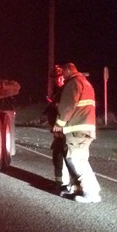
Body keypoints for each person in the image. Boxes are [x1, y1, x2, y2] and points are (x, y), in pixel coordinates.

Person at [52, 62, 102, 203]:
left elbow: (67, 105)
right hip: (85, 128)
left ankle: (91, 192)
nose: (62, 75)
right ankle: (79, 189)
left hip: (77, 129)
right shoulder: (85, 83)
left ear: (68, 70)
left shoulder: (73, 83)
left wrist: (59, 124)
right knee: (79, 159)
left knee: (75, 160)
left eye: (63, 72)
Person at [42, 65, 73, 194]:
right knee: (57, 156)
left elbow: (66, 109)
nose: (57, 80)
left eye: (59, 78)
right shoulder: (57, 92)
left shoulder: (67, 90)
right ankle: (60, 182)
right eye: (55, 78)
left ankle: (68, 184)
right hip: (58, 130)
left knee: (66, 156)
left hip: (66, 130)